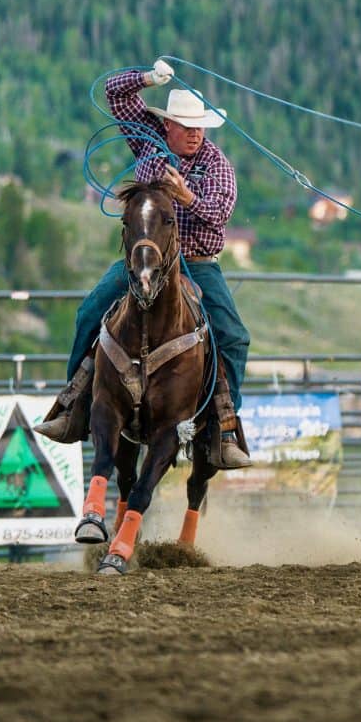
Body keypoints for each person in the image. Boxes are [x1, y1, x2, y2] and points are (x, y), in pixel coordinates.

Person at [34, 59, 252, 468]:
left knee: (234, 336)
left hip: (198, 263)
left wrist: (187, 198)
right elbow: (114, 93)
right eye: (186, 126)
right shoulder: (148, 140)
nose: (194, 134)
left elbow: (219, 212)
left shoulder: (217, 165)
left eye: (199, 127)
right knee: (92, 310)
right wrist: (149, 79)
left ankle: (224, 427)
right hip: (146, 259)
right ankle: (73, 404)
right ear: (166, 124)